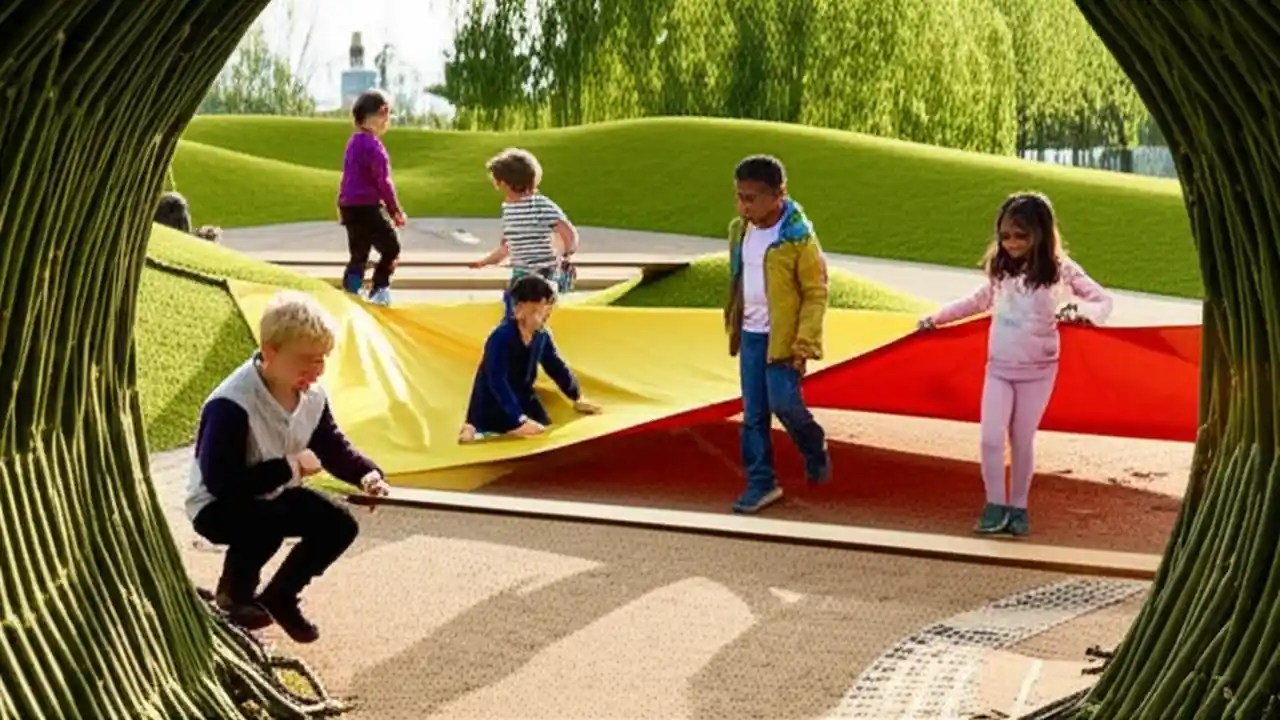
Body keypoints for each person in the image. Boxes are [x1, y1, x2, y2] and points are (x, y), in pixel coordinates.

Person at [184, 290, 391, 643]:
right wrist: (290, 467)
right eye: (306, 360)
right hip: (218, 507)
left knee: (339, 524)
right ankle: (236, 596)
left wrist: (367, 475)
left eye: (322, 359)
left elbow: (331, 445)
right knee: (267, 522)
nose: (316, 370)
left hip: (272, 495)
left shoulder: (312, 394)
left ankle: (280, 595)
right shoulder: (231, 404)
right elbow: (222, 483)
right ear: (270, 353)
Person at [917, 191, 1113, 537]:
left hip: (1038, 371)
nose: (1011, 243)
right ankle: (995, 504)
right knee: (991, 438)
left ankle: (1019, 507)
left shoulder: (1061, 271)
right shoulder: (1001, 269)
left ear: (1040, 233)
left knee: (1022, 440)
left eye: (1020, 235)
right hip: (999, 368)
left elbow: (1102, 300)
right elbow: (978, 300)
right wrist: (938, 317)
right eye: (1005, 235)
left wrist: (1081, 314)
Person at [724, 154, 831, 515]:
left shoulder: (799, 239)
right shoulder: (740, 230)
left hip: (783, 339)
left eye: (751, 198)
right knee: (753, 414)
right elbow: (740, 279)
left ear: (779, 195)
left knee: (784, 402)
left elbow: (816, 293)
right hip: (752, 335)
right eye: (739, 196)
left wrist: (804, 343)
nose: (743, 205)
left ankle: (813, 442)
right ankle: (761, 482)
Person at [458, 274, 599, 442]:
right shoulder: (501, 337)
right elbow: (497, 381)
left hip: (524, 396)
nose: (545, 314)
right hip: (495, 401)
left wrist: (576, 396)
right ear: (521, 309)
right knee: (514, 430)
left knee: (544, 429)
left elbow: (556, 366)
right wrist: (518, 419)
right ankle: (474, 426)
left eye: (548, 308)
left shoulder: (541, 336)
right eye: (538, 309)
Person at [470, 147, 579, 316]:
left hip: (543, 272)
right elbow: (507, 247)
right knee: (512, 308)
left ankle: (558, 288)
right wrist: (485, 262)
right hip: (521, 273)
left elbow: (567, 232)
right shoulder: (508, 209)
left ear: (505, 183)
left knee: (534, 311)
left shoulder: (539, 205)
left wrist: (565, 256)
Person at [337, 88, 405, 307]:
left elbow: (347, 177)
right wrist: (395, 210)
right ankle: (380, 288)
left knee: (359, 253)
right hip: (367, 206)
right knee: (391, 248)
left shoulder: (353, 143)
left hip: (350, 207)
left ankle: (351, 292)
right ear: (382, 113)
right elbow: (384, 182)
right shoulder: (375, 147)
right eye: (389, 115)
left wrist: (341, 202)